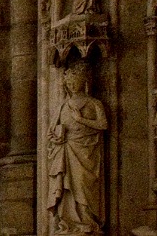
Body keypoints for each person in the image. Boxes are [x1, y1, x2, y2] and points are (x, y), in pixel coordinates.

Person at [46, 62, 105, 235]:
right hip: (66, 150)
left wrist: (81, 120)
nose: (72, 85)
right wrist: (56, 137)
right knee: (66, 186)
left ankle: (87, 222)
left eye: (75, 82)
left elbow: (103, 124)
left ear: (84, 82)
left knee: (82, 184)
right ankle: (68, 224)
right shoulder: (62, 106)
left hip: (86, 152)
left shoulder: (94, 103)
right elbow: (51, 132)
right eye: (69, 83)